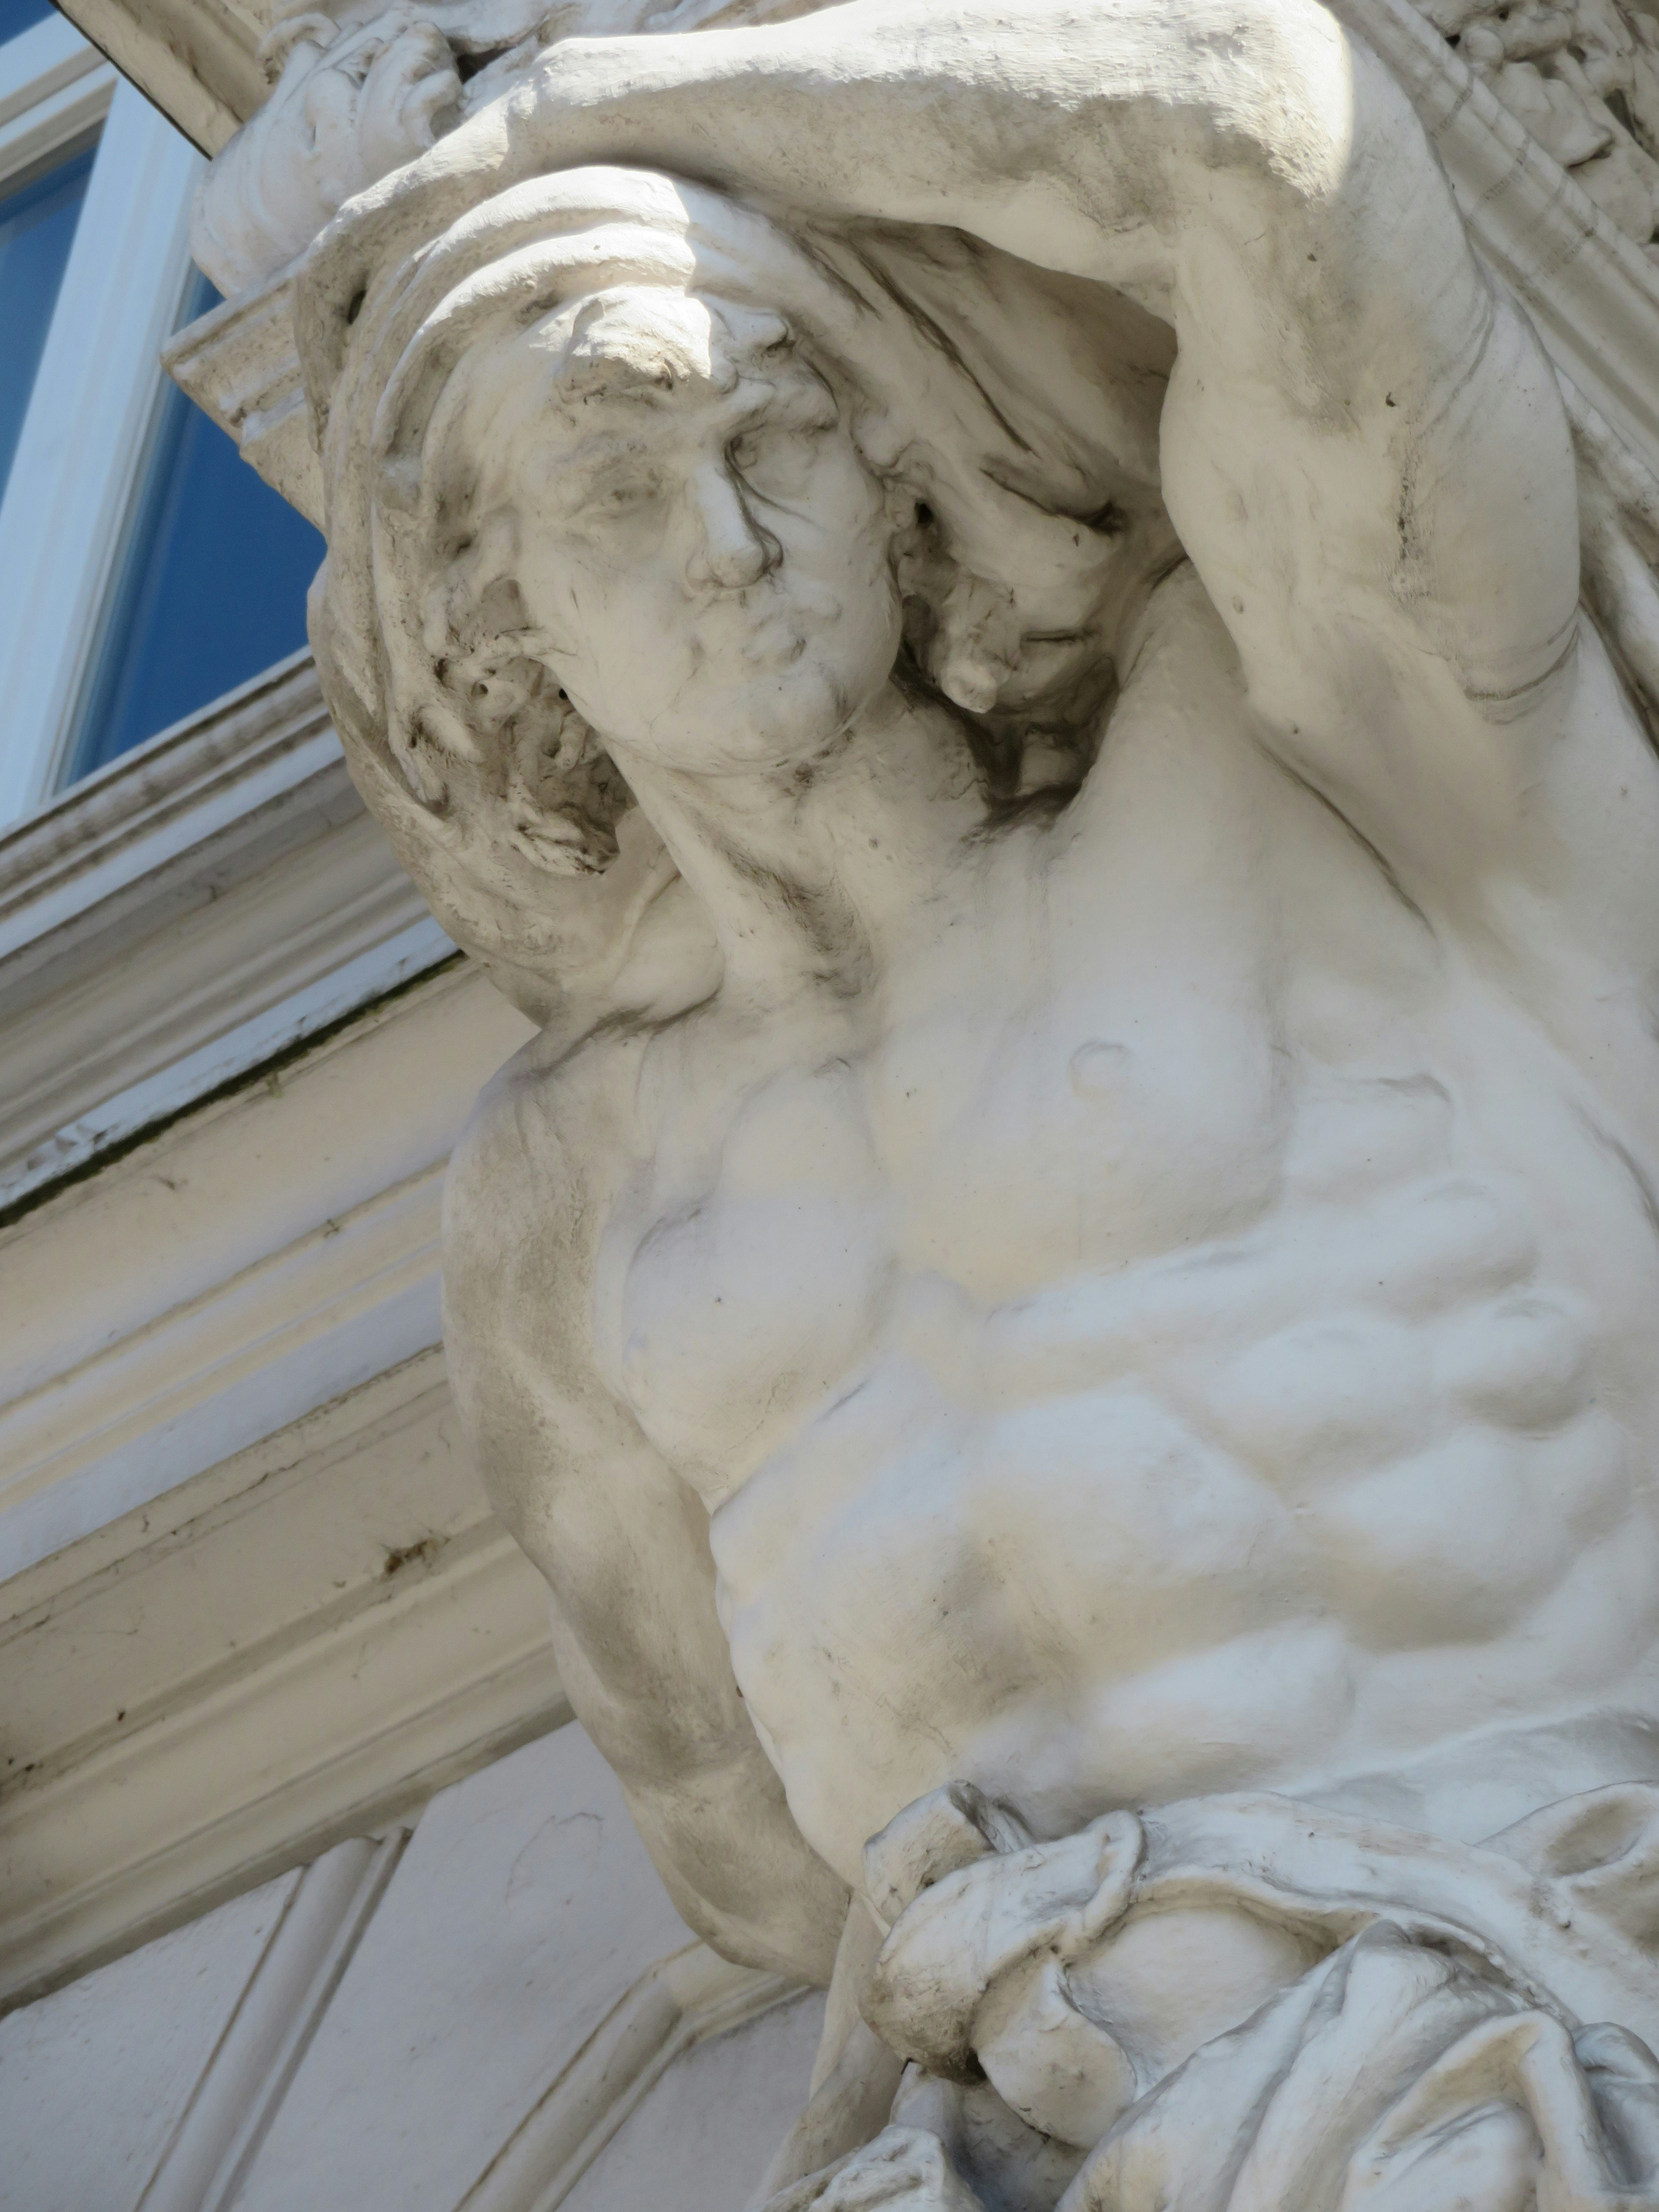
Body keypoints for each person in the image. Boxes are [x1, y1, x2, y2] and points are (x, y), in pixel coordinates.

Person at [291, 1, 1659, 2197]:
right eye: (617, 495)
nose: (729, 541)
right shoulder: (575, 1212)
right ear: (501, 620)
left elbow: (1261, 131)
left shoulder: (1313, 751)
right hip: (996, 2148)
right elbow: (746, 1862)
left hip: (1528, 2020)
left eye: (780, 436)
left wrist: (570, 109)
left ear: (899, 458)